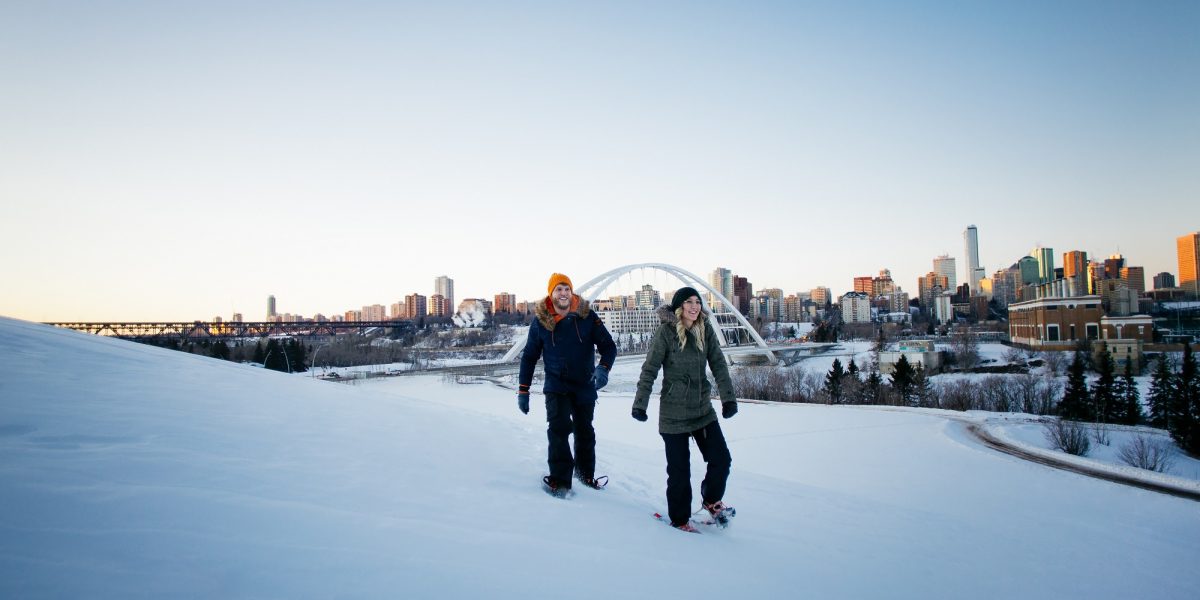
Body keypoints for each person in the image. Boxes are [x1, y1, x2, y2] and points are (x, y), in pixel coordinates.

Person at [632, 287, 737, 531]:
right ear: (679, 307)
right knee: (680, 472)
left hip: (701, 409)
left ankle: (711, 500)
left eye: (697, 302)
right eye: (688, 302)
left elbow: (719, 364)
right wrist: (640, 404)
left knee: (721, 459)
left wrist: (728, 399)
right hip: (673, 413)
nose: (694, 306)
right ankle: (680, 520)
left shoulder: (705, 329)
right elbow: (650, 369)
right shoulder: (666, 332)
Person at [518, 272, 618, 496]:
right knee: (559, 430)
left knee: (585, 433)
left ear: (571, 292)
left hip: (584, 384)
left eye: (566, 289)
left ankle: (585, 476)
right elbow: (529, 357)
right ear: (551, 293)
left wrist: (603, 368)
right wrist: (523, 391)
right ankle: (560, 481)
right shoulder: (541, 322)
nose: (563, 293)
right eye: (558, 289)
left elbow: (609, 347)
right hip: (556, 385)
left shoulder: (587, 316)